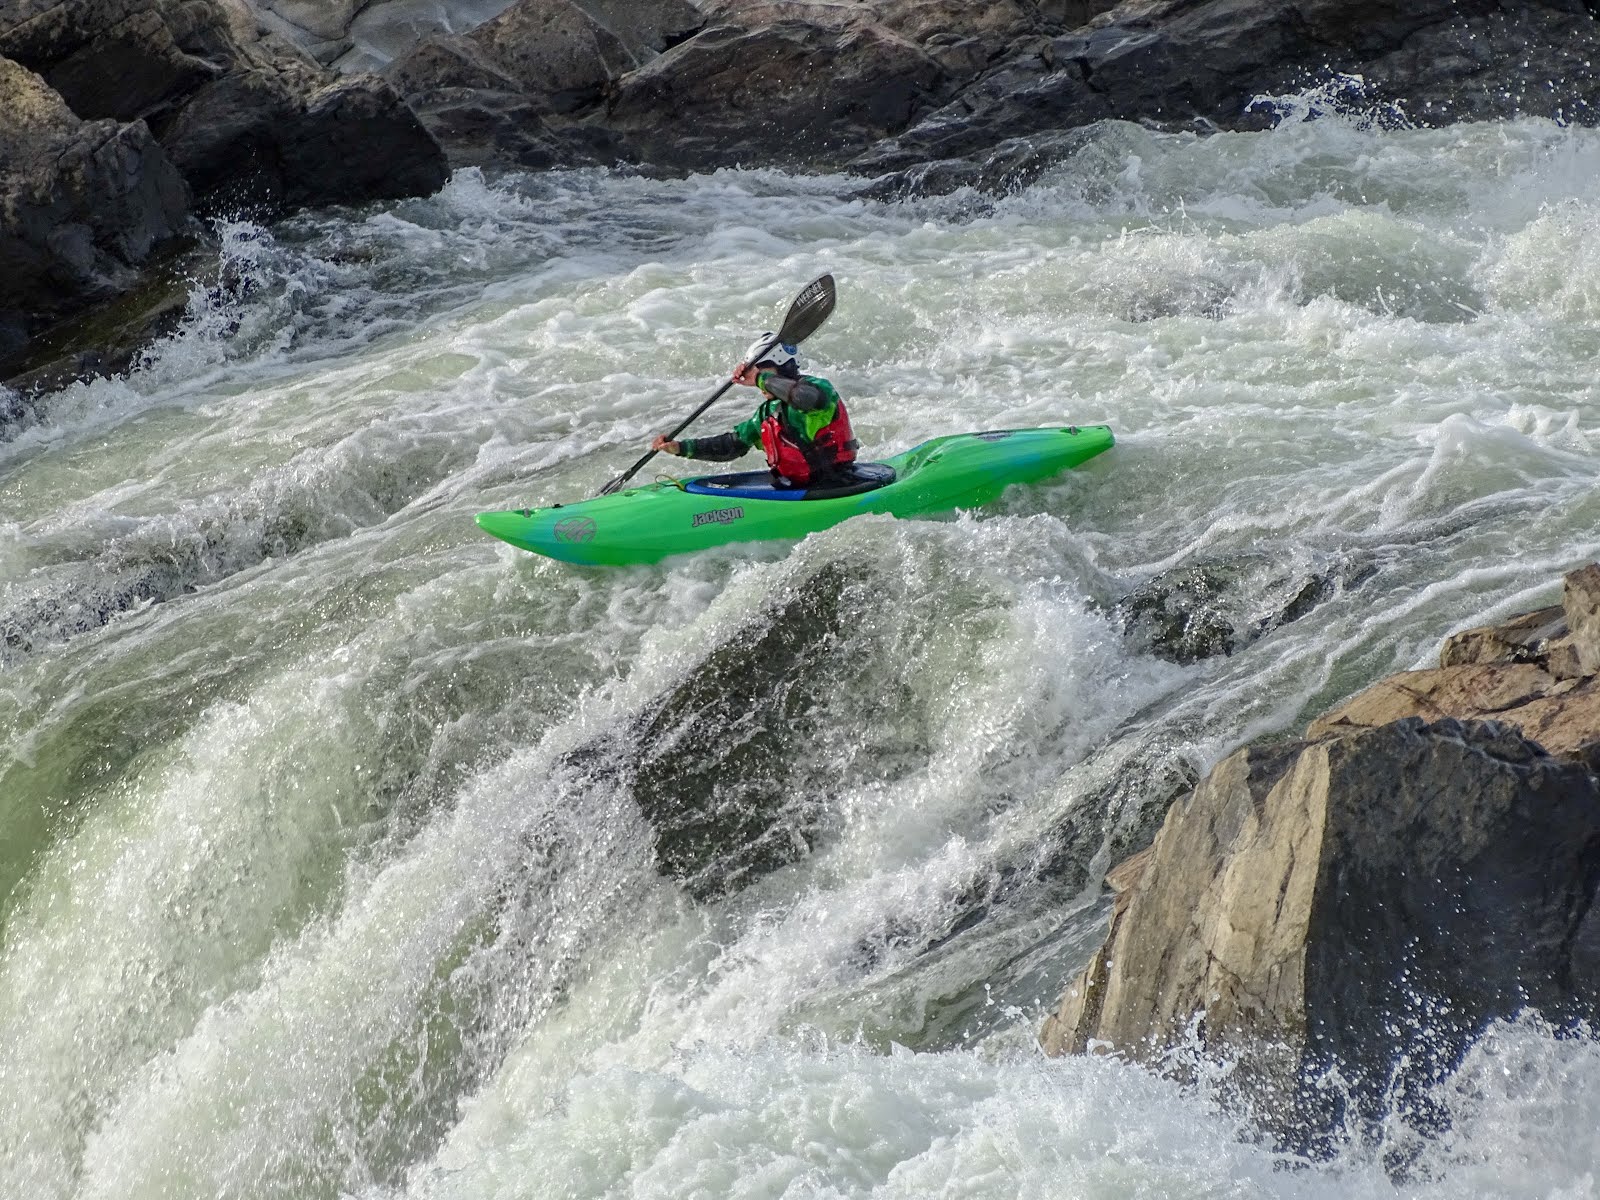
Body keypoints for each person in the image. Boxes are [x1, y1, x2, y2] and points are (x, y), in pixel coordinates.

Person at [651, 332, 859, 488]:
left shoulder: (819, 391)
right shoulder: (768, 412)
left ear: (783, 367)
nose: (756, 382)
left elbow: (803, 397)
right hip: (794, 487)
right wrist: (680, 448)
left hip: (836, 484)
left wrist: (760, 378)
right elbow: (732, 445)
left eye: (761, 372)